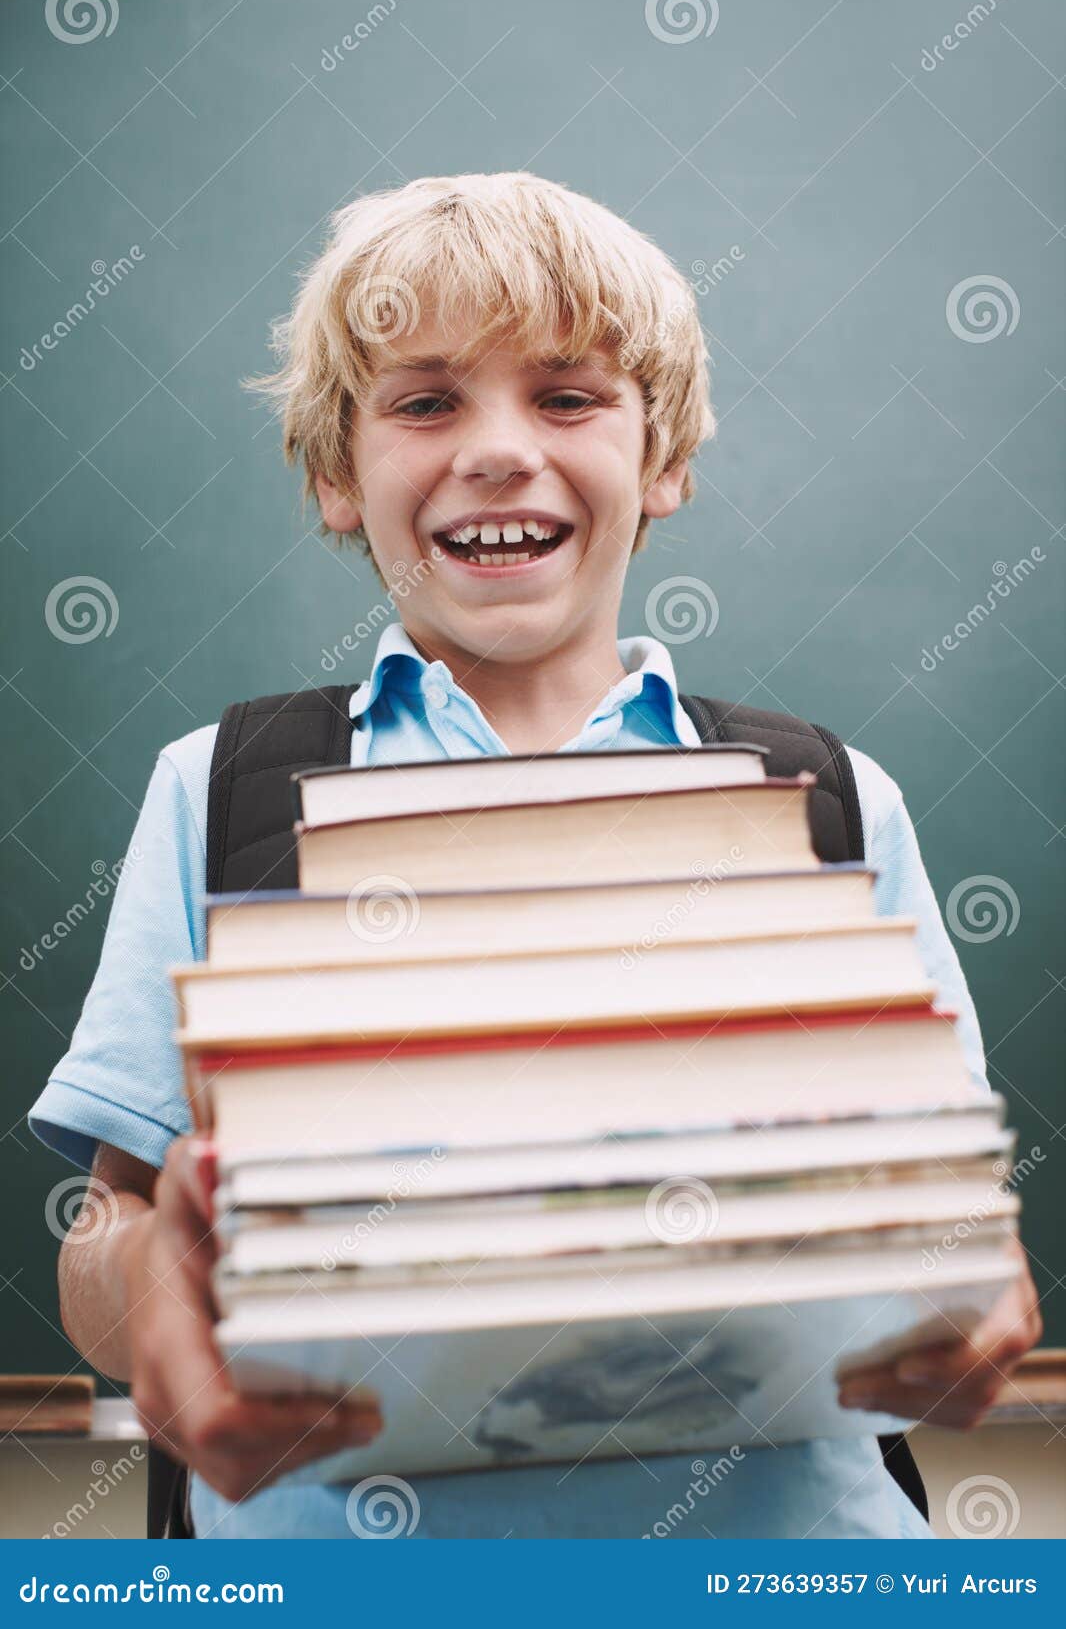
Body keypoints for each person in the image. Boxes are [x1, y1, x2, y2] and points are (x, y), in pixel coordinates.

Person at [28, 172, 1041, 1539]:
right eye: (426, 399)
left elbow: (945, 1224)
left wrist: (967, 1287)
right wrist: (152, 1284)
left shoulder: (826, 800)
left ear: (662, 459)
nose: (498, 449)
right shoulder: (219, 794)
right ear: (339, 476)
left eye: (567, 396)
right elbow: (112, 1226)